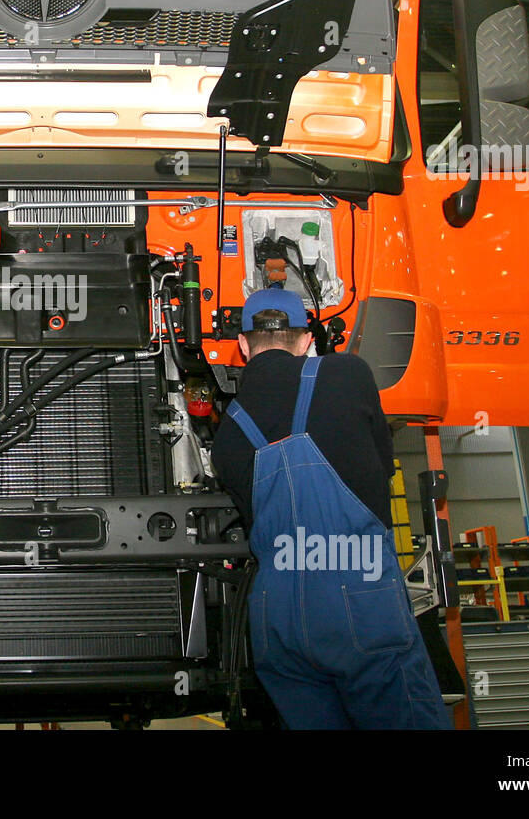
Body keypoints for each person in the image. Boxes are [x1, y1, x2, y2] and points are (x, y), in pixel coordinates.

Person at [211, 287, 451, 729]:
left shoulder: (227, 433)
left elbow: (249, 519)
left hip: (276, 611)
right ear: (307, 342)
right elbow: (382, 468)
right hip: (357, 591)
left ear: (243, 346)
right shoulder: (348, 375)